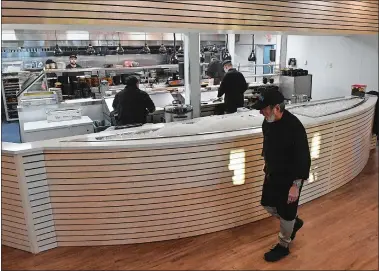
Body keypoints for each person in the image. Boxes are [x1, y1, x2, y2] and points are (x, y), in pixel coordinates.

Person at [252, 89, 311, 262]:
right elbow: (268, 144)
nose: (261, 112)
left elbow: (303, 158)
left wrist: (296, 185)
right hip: (272, 173)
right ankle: (294, 223)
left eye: (264, 108)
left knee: (286, 213)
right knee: (268, 205)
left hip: (290, 179)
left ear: (277, 107)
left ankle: (283, 245)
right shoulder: (267, 122)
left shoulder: (295, 127)